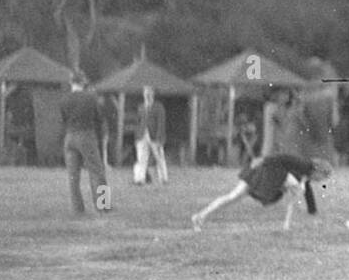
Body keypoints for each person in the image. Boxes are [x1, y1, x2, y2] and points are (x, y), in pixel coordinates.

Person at [191, 153, 328, 230]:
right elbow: (283, 158)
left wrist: (312, 210)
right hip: (262, 171)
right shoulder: (303, 164)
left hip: (259, 172)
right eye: (322, 177)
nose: (320, 181)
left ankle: (200, 216)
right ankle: (199, 216)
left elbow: (307, 191)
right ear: (318, 171)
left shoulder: (305, 174)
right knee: (233, 197)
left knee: (232, 197)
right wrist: (264, 160)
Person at [61, 73, 109, 217]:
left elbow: (63, 119)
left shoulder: (64, 99)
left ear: (71, 82)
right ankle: (103, 205)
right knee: (97, 171)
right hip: (86, 135)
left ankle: (77, 209)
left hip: (69, 137)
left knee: (73, 176)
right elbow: (99, 117)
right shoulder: (91, 98)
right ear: (83, 82)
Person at [133, 85, 169, 186]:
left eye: (149, 93)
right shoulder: (141, 107)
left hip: (155, 136)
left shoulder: (159, 107)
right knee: (141, 158)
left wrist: (159, 138)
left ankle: (163, 178)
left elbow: (161, 123)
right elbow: (138, 122)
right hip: (142, 135)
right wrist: (137, 136)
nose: (147, 95)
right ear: (143, 94)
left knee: (159, 157)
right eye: (145, 93)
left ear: (153, 94)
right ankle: (140, 178)